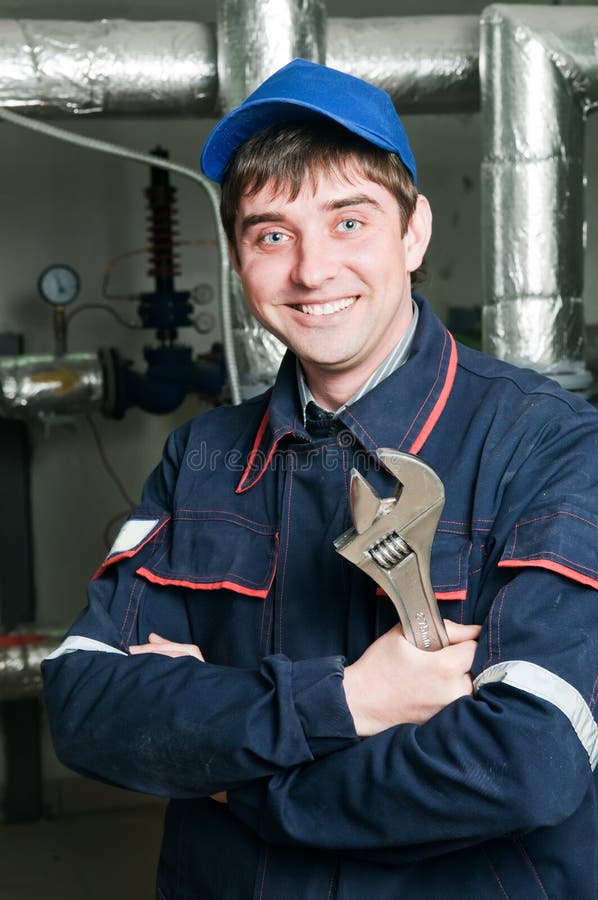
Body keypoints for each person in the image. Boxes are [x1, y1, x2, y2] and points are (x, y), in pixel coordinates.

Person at [43, 59, 598, 899]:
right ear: (238, 259)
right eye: (272, 235)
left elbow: (528, 763)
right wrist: (350, 701)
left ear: (413, 233)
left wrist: (238, 783)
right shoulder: (201, 456)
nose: (311, 271)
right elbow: (86, 707)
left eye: (349, 221)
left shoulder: (550, 445)